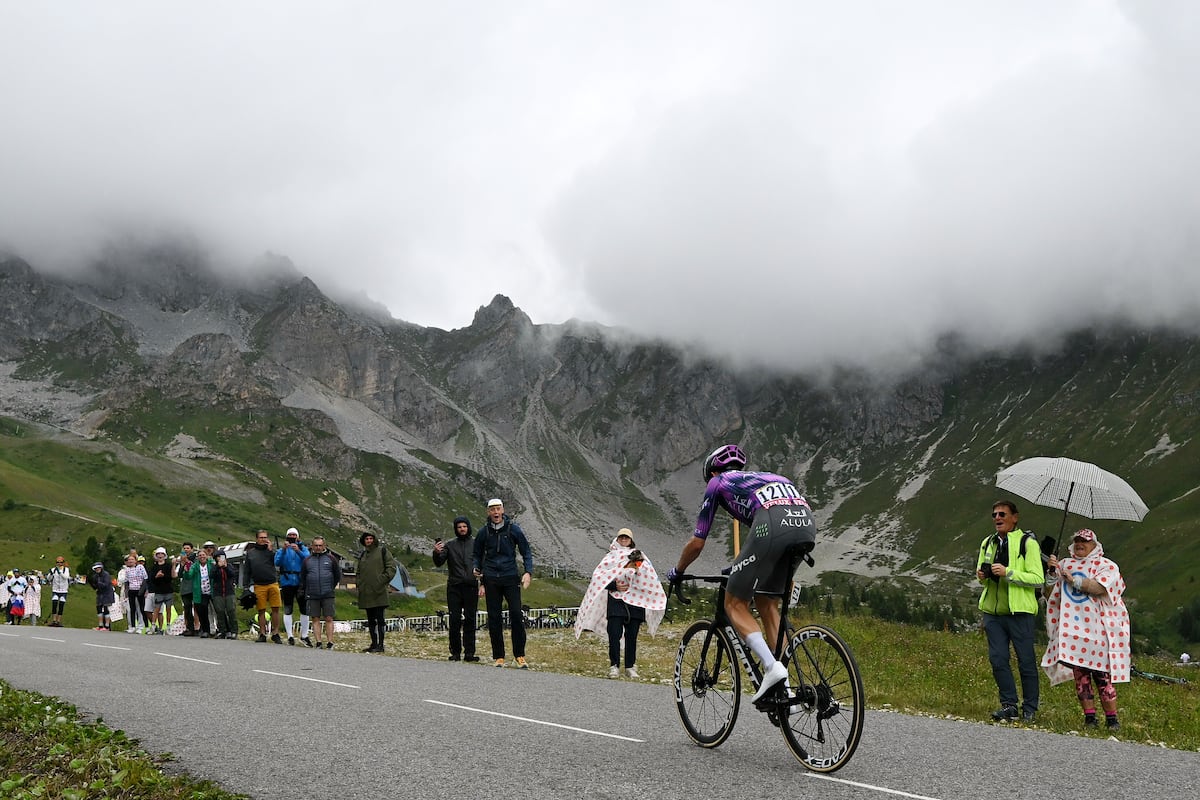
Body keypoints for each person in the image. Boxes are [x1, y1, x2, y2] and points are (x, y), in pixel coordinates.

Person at [667, 445, 818, 703]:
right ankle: (787, 691)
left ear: (713, 470)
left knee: (734, 603)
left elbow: (697, 542)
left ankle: (772, 669)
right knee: (767, 603)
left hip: (772, 525)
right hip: (806, 525)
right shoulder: (771, 478)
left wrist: (677, 571)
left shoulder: (718, 482)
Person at [1042, 529, 1130, 731]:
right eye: (1077, 541)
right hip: (1073, 632)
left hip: (1099, 631)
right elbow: (1050, 595)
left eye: (1085, 541)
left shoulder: (1107, 565)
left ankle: (1112, 718)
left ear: (1094, 545)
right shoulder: (1064, 564)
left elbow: (1102, 588)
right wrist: (1052, 574)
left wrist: (1076, 581)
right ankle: (1090, 718)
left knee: (1102, 677)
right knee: (1081, 678)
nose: (1080, 544)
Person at [976, 499, 1044, 723]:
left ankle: (1030, 708)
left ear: (1015, 517)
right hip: (993, 612)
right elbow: (982, 580)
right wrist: (983, 577)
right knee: (998, 659)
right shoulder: (987, 542)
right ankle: (1009, 705)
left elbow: (1037, 578)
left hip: (1020, 612)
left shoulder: (1028, 543)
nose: (997, 518)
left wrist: (1009, 572)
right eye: (994, 515)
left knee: (1025, 660)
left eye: (1002, 514)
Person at [575, 528, 667, 679]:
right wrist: (614, 586)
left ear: (631, 540)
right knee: (614, 634)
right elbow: (600, 577)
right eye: (621, 537)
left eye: (627, 537)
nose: (624, 540)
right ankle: (614, 666)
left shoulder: (639, 556)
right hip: (616, 601)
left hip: (635, 602)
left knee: (632, 636)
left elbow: (647, 575)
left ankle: (630, 666)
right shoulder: (610, 557)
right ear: (617, 539)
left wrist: (635, 573)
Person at [472, 498, 534, 669]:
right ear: (488, 512)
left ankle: (519, 655)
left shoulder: (514, 530)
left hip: (510, 576)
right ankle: (499, 656)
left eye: (498, 509)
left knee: (516, 614)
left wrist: (528, 572)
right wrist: (476, 567)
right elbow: (476, 554)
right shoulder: (483, 532)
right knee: (494, 617)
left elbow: (526, 551)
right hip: (491, 577)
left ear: (503, 510)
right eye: (492, 510)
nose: (496, 512)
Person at [433, 516, 482, 662]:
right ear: (456, 529)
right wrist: (436, 552)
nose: (462, 529)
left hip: (471, 586)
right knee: (454, 620)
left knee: (470, 619)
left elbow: (482, 562)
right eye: (459, 527)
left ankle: (469, 653)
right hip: (454, 586)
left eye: (464, 526)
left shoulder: (476, 544)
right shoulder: (449, 545)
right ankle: (455, 652)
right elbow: (439, 562)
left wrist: (483, 581)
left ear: (468, 527)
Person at [240, 529, 284, 644]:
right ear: (257, 539)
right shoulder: (251, 553)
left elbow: (277, 562)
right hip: (259, 585)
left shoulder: (271, 551)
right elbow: (247, 571)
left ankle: (275, 633)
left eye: (265, 537)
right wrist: (245, 586)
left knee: (275, 608)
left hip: (272, 583)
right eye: (261, 537)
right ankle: (262, 634)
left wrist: (271, 550)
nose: (264, 539)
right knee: (261, 610)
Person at [355, 532, 395, 653]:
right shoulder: (363, 554)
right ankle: (374, 643)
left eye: (371, 538)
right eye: (366, 539)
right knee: (371, 620)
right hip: (366, 592)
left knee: (380, 619)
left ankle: (381, 645)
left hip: (379, 591)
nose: (369, 541)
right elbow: (358, 572)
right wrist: (359, 584)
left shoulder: (382, 551)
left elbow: (391, 568)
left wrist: (381, 581)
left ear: (374, 539)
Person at [301, 536, 341, 650]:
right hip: (312, 593)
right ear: (312, 546)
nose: (318, 548)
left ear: (324, 546)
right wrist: (305, 589)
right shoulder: (307, 560)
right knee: (315, 618)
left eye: (320, 545)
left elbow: (337, 575)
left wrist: (330, 587)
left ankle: (330, 642)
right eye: (316, 545)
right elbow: (303, 577)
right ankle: (318, 642)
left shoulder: (331, 559)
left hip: (328, 593)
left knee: (329, 618)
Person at [275, 527, 312, 646]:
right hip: (286, 581)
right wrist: (284, 550)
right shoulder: (282, 550)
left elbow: (308, 560)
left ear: (297, 537)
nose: (292, 537)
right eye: (290, 535)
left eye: (294, 535)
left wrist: (298, 551)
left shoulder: (303, 548)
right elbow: (277, 562)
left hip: (300, 582)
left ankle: (304, 635)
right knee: (288, 609)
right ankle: (290, 635)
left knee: (304, 609)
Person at [182, 548, 216, 638]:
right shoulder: (195, 566)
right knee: (202, 610)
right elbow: (189, 576)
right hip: (201, 592)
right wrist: (186, 571)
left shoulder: (211, 564)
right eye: (200, 555)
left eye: (203, 555)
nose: (202, 557)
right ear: (198, 557)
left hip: (212, 590)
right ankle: (206, 630)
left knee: (217, 610)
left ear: (206, 556)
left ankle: (221, 629)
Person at [145, 548, 177, 635]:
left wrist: (163, 575)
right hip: (158, 591)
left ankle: (168, 626)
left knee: (168, 609)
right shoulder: (154, 567)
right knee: (156, 609)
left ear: (164, 555)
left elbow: (171, 577)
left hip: (168, 590)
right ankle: (153, 626)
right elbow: (152, 579)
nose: (160, 555)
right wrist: (157, 576)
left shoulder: (168, 565)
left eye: (161, 554)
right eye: (158, 554)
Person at [210, 549, 239, 639]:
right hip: (218, 592)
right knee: (220, 612)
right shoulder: (214, 567)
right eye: (218, 557)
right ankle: (222, 631)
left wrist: (225, 567)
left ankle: (234, 631)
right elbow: (211, 575)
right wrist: (218, 567)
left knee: (231, 611)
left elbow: (233, 574)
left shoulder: (229, 566)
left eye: (221, 557)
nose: (220, 559)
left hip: (229, 591)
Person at [121, 554, 148, 633]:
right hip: (131, 590)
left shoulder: (140, 567)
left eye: (132, 559)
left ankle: (144, 626)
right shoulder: (127, 569)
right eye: (129, 560)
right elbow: (126, 582)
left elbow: (145, 578)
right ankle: (132, 626)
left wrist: (143, 590)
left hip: (140, 590)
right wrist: (126, 594)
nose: (130, 561)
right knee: (132, 609)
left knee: (142, 608)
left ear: (135, 561)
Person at [88, 562, 115, 630]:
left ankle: (107, 626)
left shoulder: (106, 574)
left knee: (106, 610)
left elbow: (106, 585)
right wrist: (91, 582)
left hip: (107, 594)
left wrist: (98, 583)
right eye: (96, 568)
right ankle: (100, 626)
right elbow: (95, 587)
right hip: (100, 593)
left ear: (101, 568)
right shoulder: (96, 576)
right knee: (99, 608)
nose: (97, 569)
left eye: (98, 568)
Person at [48, 557, 71, 627]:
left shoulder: (66, 569)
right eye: (58, 562)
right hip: (55, 589)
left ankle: (58, 621)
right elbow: (49, 579)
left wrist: (60, 572)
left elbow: (66, 577)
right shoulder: (53, 569)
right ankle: (54, 620)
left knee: (61, 605)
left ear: (63, 563)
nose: (59, 564)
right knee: (54, 604)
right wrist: (51, 574)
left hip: (63, 590)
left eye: (61, 562)